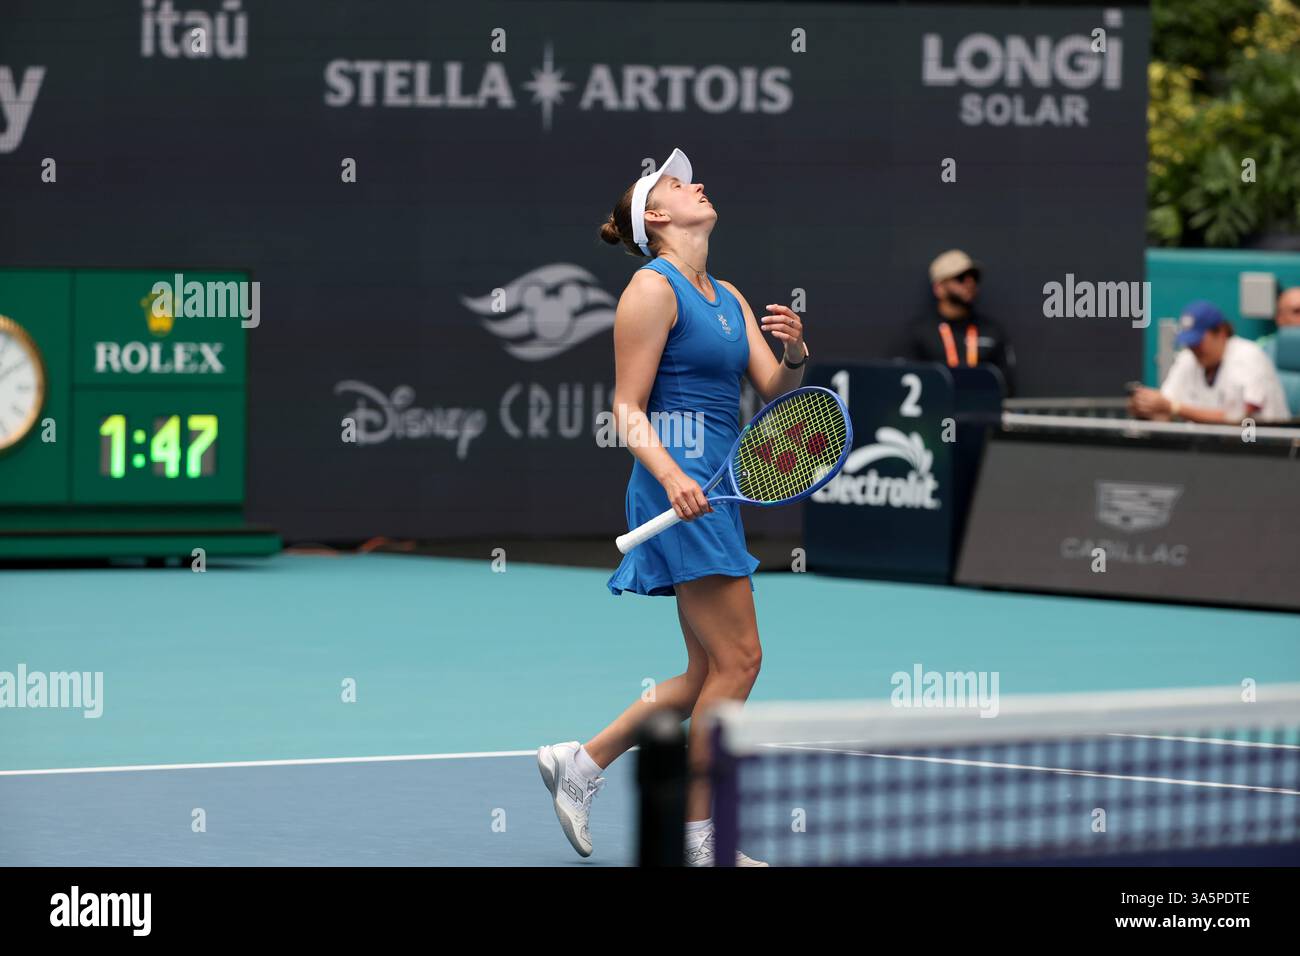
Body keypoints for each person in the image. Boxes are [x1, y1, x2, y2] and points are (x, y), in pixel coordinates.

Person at [536, 148, 809, 867]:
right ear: (655, 217)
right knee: (742, 660)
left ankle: (582, 763)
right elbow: (626, 410)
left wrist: (797, 353)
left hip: (714, 484)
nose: (698, 186)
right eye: (680, 185)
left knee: (706, 672)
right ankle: (700, 839)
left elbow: (773, 387)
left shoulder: (729, 295)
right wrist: (670, 474)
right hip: (677, 483)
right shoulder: (650, 290)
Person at [1130, 300, 1290, 423]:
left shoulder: (1248, 356)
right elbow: (1165, 410)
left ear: (1220, 332)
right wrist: (1146, 407)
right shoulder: (1188, 358)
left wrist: (1174, 407)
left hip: (1266, 452)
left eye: (1198, 341)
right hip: (1211, 453)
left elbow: (1237, 419)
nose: (1193, 348)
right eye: (1190, 343)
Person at [896, 249, 1017, 395]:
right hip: (935, 413)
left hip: (980, 413)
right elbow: (903, 383)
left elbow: (1007, 386)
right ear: (939, 288)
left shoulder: (992, 331)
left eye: (974, 277)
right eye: (960, 278)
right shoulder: (918, 333)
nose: (970, 283)